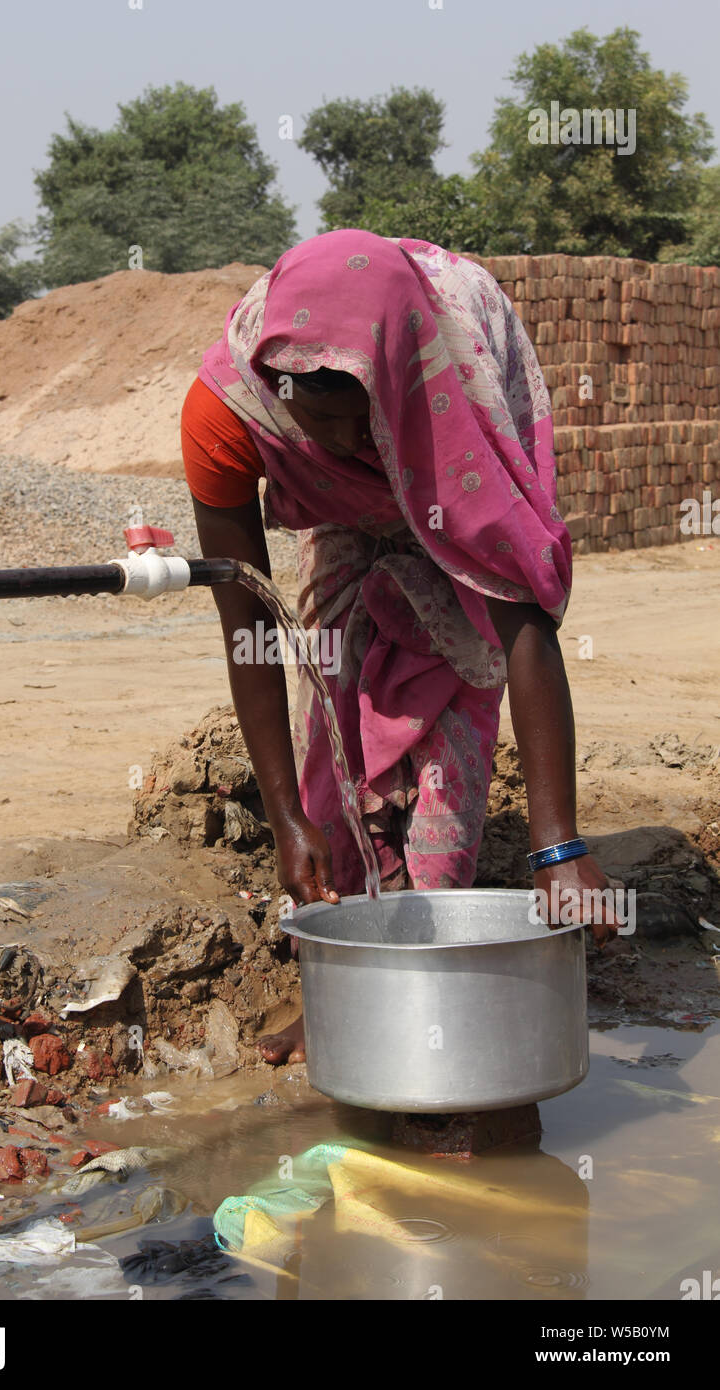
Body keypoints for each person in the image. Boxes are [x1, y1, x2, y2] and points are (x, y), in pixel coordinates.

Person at [181, 229, 618, 1066]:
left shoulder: (445, 380)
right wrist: (286, 817)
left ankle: (434, 986)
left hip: (445, 461)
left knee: (453, 721)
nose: (348, 444)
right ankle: (345, 993)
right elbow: (249, 621)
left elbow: (520, 609)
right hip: (345, 517)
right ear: (278, 386)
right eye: (325, 424)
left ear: (391, 386)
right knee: (337, 711)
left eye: (362, 420)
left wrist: (559, 847)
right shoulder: (227, 415)